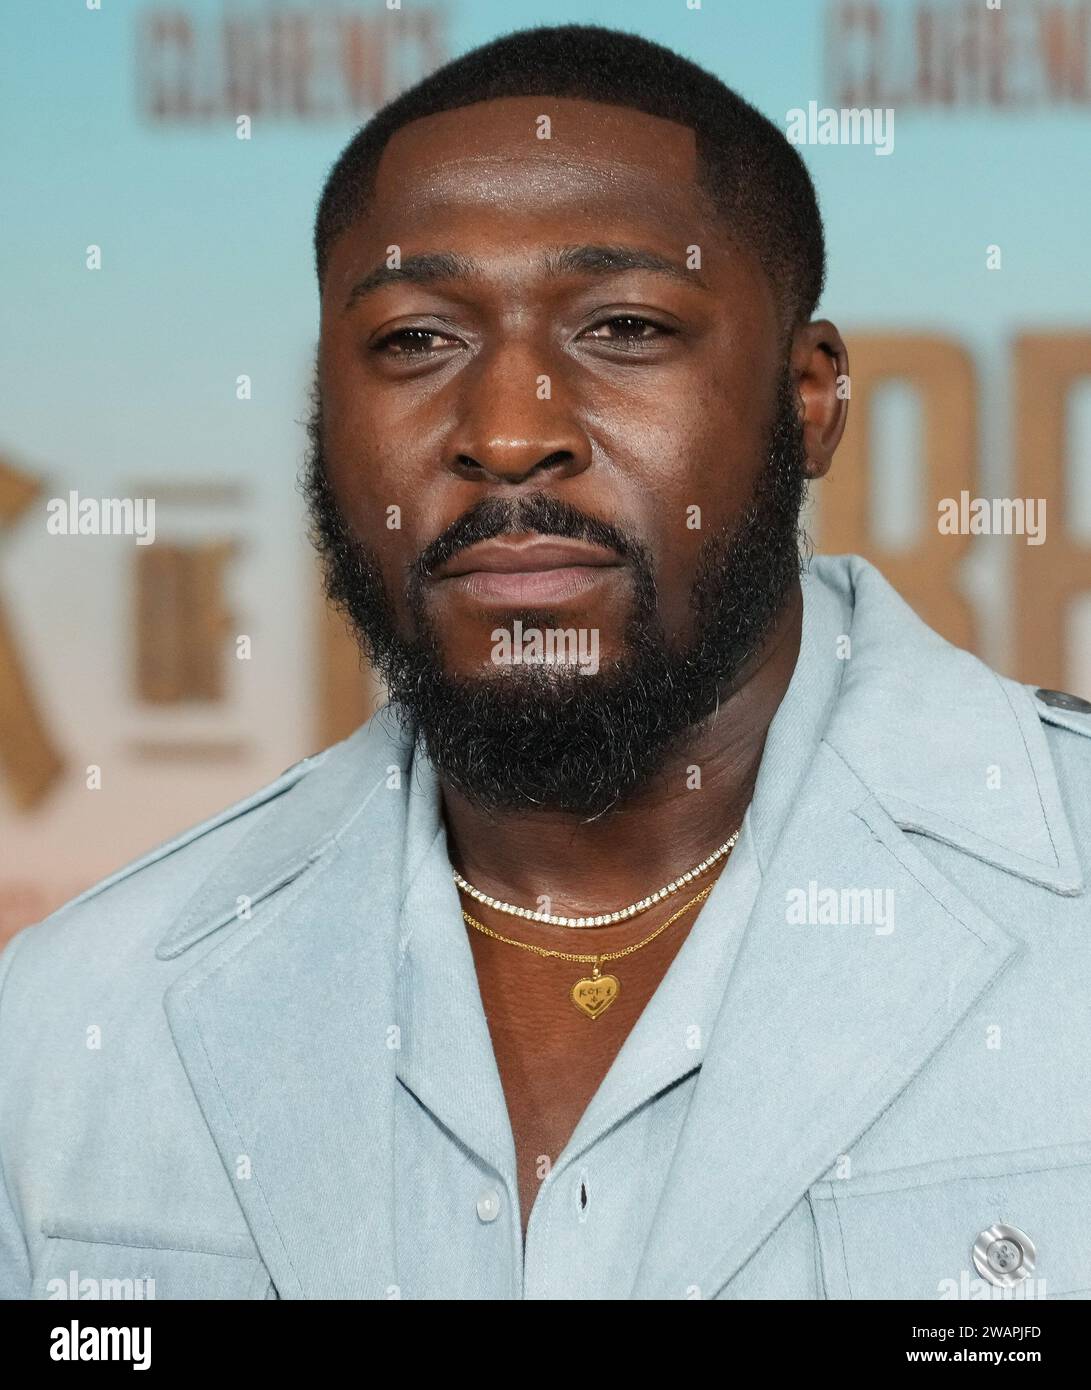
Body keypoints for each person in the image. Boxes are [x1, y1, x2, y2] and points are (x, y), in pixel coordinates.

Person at [2, 22, 1090, 1302]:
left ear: (808, 400)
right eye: (415, 339)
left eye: (623, 326)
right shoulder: (76, 1016)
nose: (509, 434)